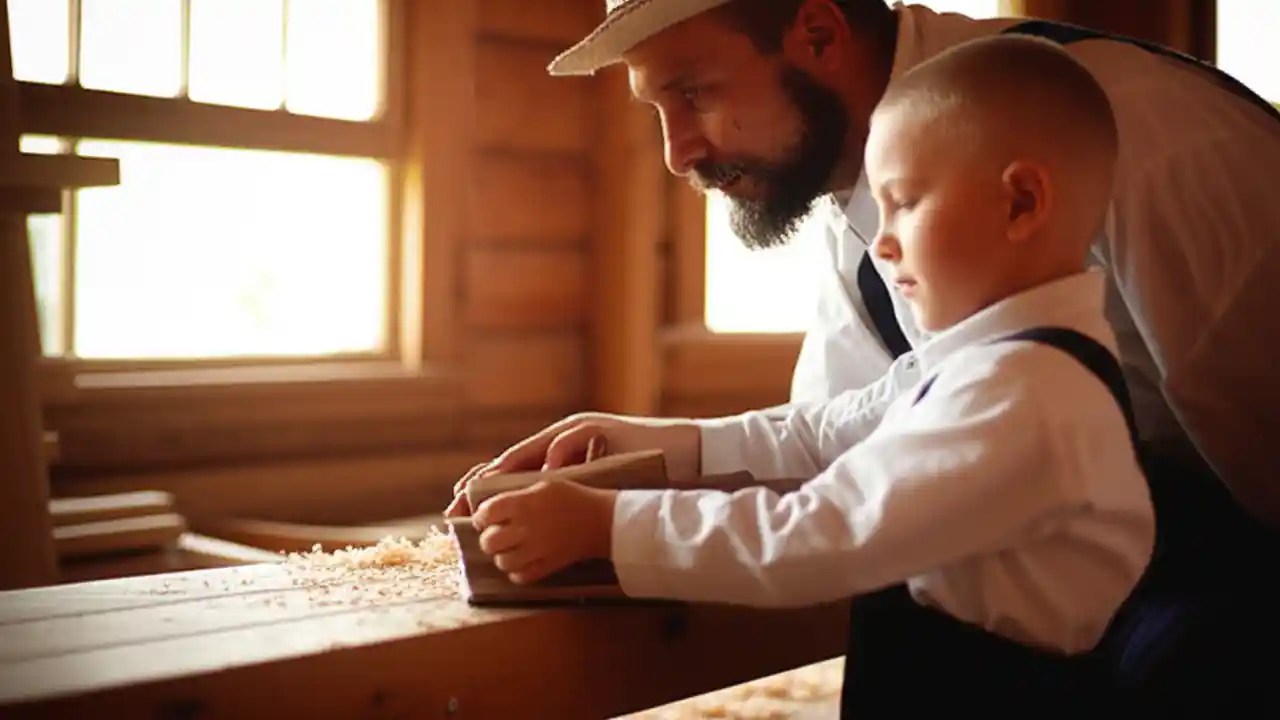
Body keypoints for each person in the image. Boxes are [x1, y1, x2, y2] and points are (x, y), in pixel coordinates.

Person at [449, 0, 1280, 703]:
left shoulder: (1131, 129)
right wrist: (668, 450)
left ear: (816, 33)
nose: (678, 154)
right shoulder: (895, 202)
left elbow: (836, 523)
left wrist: (613, 525)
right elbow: (844, 431)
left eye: (694, 93)